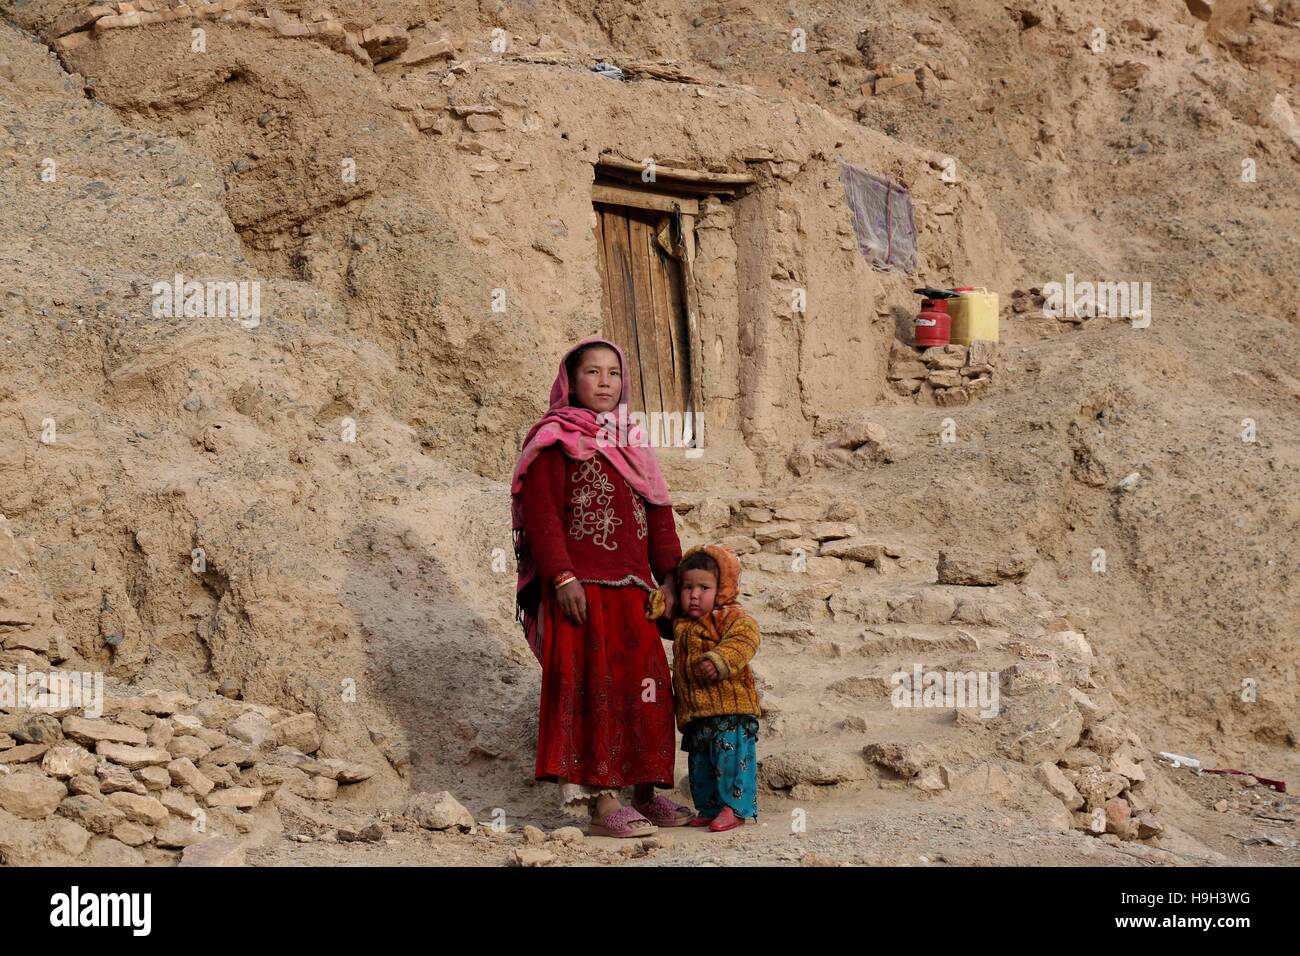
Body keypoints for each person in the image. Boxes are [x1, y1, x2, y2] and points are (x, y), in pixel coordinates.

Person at [510, 337, 694, 836]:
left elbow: (659, 518)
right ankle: (603, 803)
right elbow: (542, 516)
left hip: (635, 594)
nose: (605, 381)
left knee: (647, 693)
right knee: (596, 691)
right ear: (570, 381)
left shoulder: (633, 443)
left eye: (613, 372)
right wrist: (562, 577)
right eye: (592, 372)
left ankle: (647, 791)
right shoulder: (552, 440)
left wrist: (672, 580)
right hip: (581, 592)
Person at [671, 544, 762, 832]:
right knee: (701, 763)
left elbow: (746, 639)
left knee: (730, 759)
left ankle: (735, 807)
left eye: (704, 588)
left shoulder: (731, 617)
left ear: (722, 589)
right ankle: (709, 807)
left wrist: (721, 660)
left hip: (730, 709)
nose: (694, 595)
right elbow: (661, 611)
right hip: (697, 712)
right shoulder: (683, 623)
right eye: (687, 587)